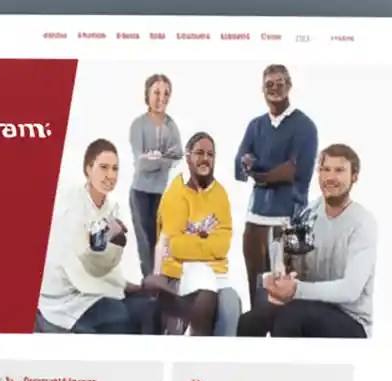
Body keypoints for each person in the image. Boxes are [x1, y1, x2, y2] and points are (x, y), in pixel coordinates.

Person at [237, 143, 374, 339]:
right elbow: (284, 246)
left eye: (339, 170)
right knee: (250, 321)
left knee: (290, 317)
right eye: (325, 169)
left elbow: (350, 290)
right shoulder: (311, 212)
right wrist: (278, 275)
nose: (330, 177)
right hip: (308, 304)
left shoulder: (362, 223)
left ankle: (286, 370)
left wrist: (296, 290)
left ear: (354, 176)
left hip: (351, 320)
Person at [35, 139, 156, 334]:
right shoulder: (71, 203)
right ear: (88, 169)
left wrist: (122, 283)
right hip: (64, 296)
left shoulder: (112, 210)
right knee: (119, 318)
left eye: (115, 169)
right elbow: (80, 259)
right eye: (103, 167)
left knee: (150, 306)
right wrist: (114, 246)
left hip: (91, 288)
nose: (110, 175)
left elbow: (104, 261)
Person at [234, 64, 318, 310]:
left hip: (288, 219)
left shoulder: (304, 126)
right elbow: (240, 164)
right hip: (255, 220)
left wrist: (258, 171)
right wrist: (255, 167)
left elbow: (292, 172)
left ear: (289, 85)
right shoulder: (255, 125)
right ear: (262, 89)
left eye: (279, 83)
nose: (274, 88)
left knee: (284, 294)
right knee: (257, 293)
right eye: (269, 84)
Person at [145, 132, 242, 336]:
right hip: (179, 273)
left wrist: (193, 243)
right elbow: (175, 245)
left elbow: (222, 245)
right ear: (188, 158)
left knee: (231, 304)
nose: (205, 158)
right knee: (204, 296)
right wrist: (205, 241)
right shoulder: (176, 194)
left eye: (210, 154)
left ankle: (220, 364)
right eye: (199, 153)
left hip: (217, 274)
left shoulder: (220, 195)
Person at [128, 73, 183, 279]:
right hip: (140, 193)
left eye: (166, 93)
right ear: (147, 94)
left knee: (162, 244)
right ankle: (150, 289)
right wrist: (163, 158)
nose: (161, 97)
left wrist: (156, 157)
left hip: (161, 194)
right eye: (157, 92)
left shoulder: (171, 125)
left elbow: (178, 155)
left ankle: (162, 289)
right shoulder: (138, 125)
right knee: (146, 246)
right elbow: (141, 162)